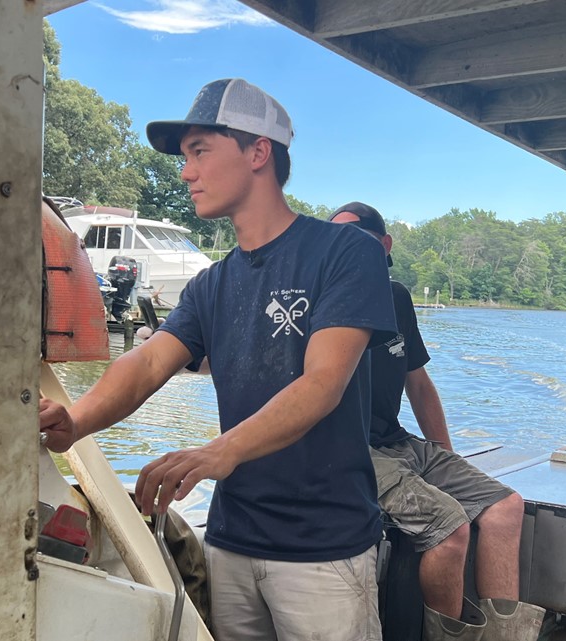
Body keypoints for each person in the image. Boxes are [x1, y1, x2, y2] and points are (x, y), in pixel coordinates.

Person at [39, 79, 397, 641]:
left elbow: (324, 382)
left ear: (259, 152)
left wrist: (216, 452)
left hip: (323, 549)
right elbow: (147, 364)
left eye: (200, 151)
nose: (186, 172)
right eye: (185, 157)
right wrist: (75, 421)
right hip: (231, 543)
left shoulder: (343, 252)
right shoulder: (212, 284)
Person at [329, 202, 545, 641]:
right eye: (333, 239)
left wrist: (445, 454)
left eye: (355, 236)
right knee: (450, 527)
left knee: (506, 507)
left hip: (401, 443)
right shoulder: (325, 302)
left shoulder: (396, 298)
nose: (343, 247)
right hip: (355, 451)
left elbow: (419, 384)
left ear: (384, 245)